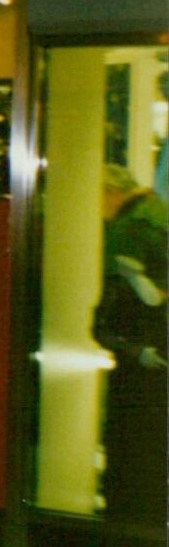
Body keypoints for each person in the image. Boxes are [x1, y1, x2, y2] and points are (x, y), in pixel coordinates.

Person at [94, 163, 168, 524]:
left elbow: (111, 313)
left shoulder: (127, 228)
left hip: (138, 361)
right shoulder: (159, 212)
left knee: (129, 455)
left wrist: (128, 347)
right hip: (159, 356)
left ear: (111, 193)